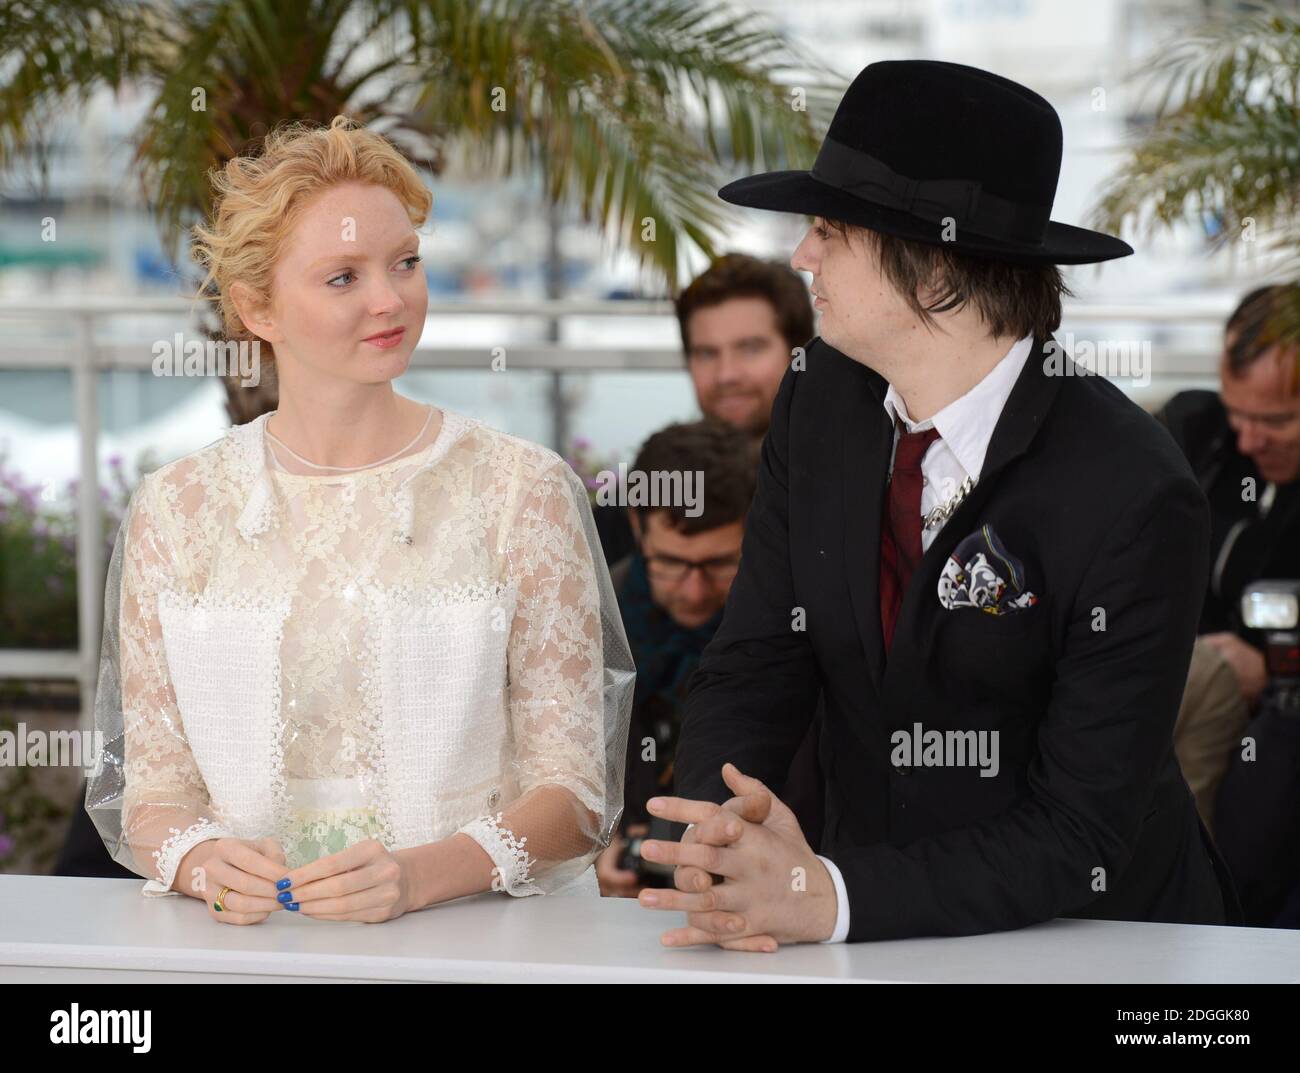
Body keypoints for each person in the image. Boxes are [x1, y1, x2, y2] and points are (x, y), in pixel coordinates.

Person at [636, 59, 1233, 949]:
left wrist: (830, 896)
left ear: (937, 271)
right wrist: (714, 831)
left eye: (830, 229)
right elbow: (759, 655)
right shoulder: (820, 399)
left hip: (1093, 943)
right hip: (868, 938)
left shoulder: (1135, 489)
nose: (802, 254)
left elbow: (1080, 829)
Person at [84, 116, 634, 925]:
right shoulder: (176, 507)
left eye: (405, 263)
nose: (390, 299)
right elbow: (155, 790)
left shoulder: (522, 488)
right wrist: (201, 860)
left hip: (479, 944)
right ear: (256, 308)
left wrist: (421, 876)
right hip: (251, 951)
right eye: (342, 277)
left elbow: (577, 791)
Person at [593, 420, 757, 896]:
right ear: (635, 526)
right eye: (669, 562)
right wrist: (592, 854)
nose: (693, 589)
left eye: (721, 563)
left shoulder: (793, 631)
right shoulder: (582, 620)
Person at [593, 254, 811, 567]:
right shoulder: (648, 494)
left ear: (799, 351)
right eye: (707, 353)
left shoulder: (841, 485)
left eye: (750, 348)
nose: (727, 375)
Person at [1157, 285, 1300, 709]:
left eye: (1275, 421)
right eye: (1238, 412)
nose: (1250, 441)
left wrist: (1276, 671)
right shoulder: (1193, 436)